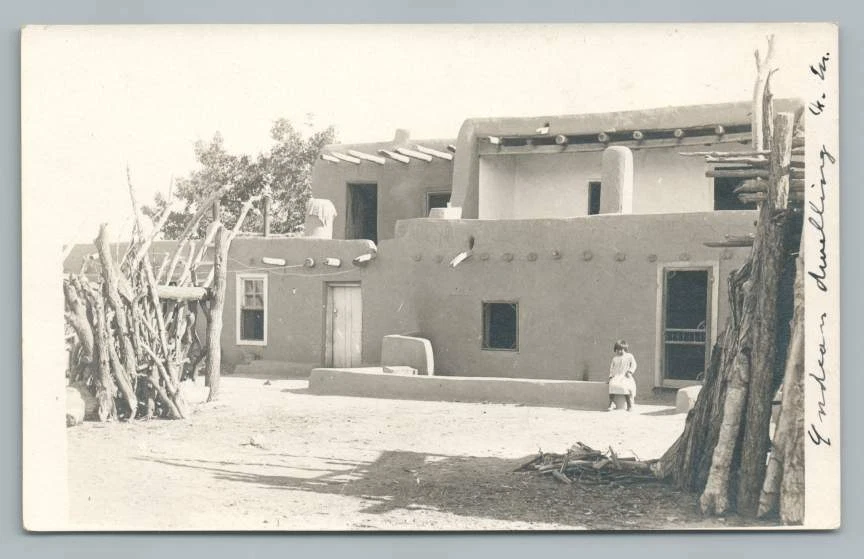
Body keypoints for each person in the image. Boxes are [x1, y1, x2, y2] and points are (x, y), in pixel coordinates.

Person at [608, 340, 637, 411]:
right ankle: (611, 403)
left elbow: (634, 365)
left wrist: (630, 372)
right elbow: (612, 368)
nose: (619, 351)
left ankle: (629, 404)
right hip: (617, 376)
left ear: (625, 349)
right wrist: (611, 376)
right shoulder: (615, 358)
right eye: (617, 350)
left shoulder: (629, 356)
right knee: (612, 385)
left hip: (625, 376)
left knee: (625, 386)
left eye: (621, 349)